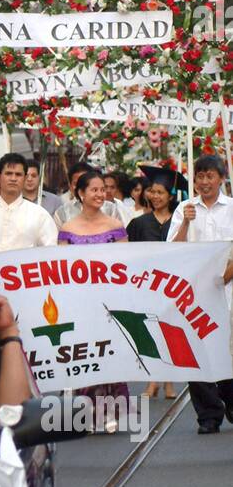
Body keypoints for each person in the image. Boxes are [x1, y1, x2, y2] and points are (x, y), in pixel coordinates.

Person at [58, 168, 128, 431]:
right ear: (80, 193)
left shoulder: (115, 227)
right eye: (94, 190)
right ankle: (85, 412)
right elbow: (61, 270)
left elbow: (124, 267)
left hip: (108, 300)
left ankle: (109, 411)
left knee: (108, 352)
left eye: (103, 189)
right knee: (83, 356)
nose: (101, 194)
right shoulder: (67, 228)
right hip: (78, 302)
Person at [167, 154, 233, 434]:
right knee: (196, 353)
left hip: (227, 289)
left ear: (221, 178)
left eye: (210, 176)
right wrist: (185, 223)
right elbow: (171, 251)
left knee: (227, 351)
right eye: (200, 177)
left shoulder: (231, 208)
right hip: (192, 295)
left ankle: (230, 400)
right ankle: (208, 415)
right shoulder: (185, 208)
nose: (204, 182)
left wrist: (222, 278)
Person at [128, 166, 186, 401]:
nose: (155, 196)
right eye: (151, 191)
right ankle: (153, 379)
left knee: (170, 330)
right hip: (146, 284)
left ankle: (168, 381)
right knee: (149, 332)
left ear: (171, 196)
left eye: (160, 192)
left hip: (172, 284)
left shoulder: (178, 220)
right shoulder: (139, 223)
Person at [0, 153, 58, 256]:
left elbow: (51, 253)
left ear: (24, 178)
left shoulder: (40, 215)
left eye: (18, 174)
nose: (13, 178)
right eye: (8, 173)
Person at [54, 161, 127, 229]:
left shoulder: (111, 209)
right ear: (70, 185)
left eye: (86, 184)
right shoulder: (62, 213)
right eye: (76, 184)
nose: (81, 187)